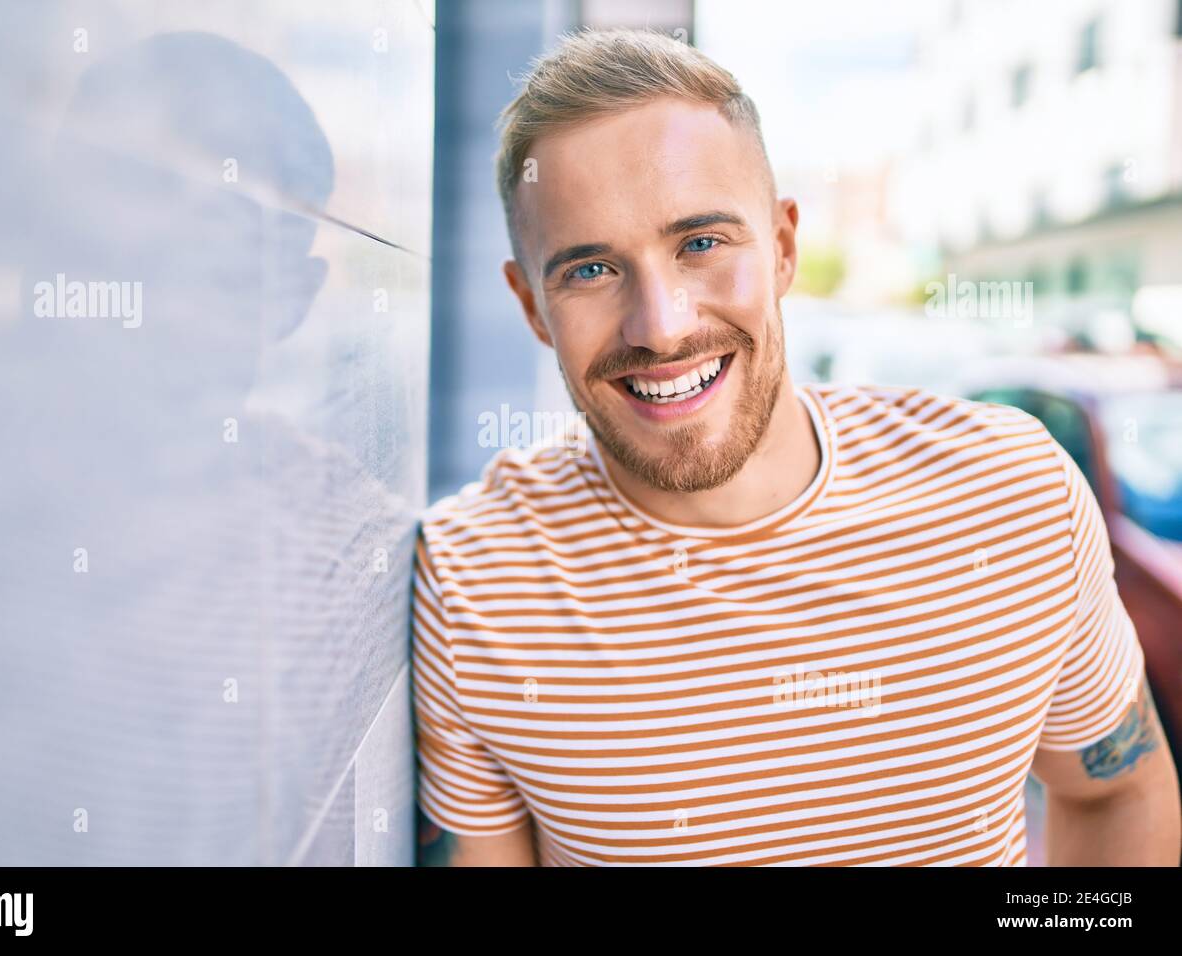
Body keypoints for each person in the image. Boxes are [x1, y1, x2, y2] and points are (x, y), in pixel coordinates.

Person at [411, 28, 1181, 866]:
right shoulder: (473, 580)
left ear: (781, 247)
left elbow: (1116, 793)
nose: (662, 326)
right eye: (590, 270)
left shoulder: (1010, 493)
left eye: (701, 244)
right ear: (531, 305)